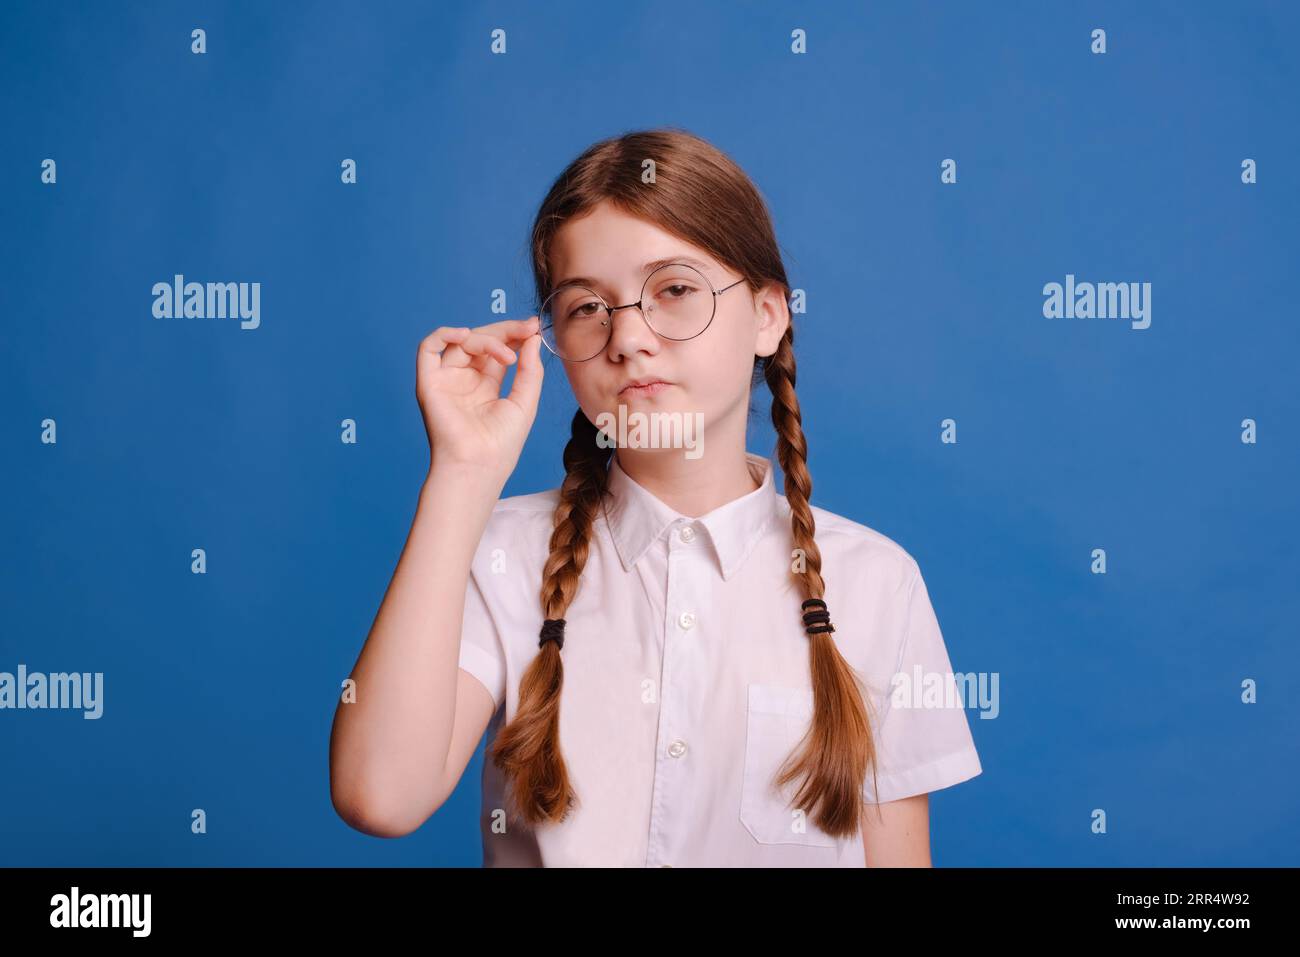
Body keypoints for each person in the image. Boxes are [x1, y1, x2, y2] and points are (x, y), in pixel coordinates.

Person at [329, 128, 981, 867]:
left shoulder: (876, 583)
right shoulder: (503, 553)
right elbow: (378, 795)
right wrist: (461, 474)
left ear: (767, 315)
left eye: (673, 289)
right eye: (586, 307)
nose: (629, 336)